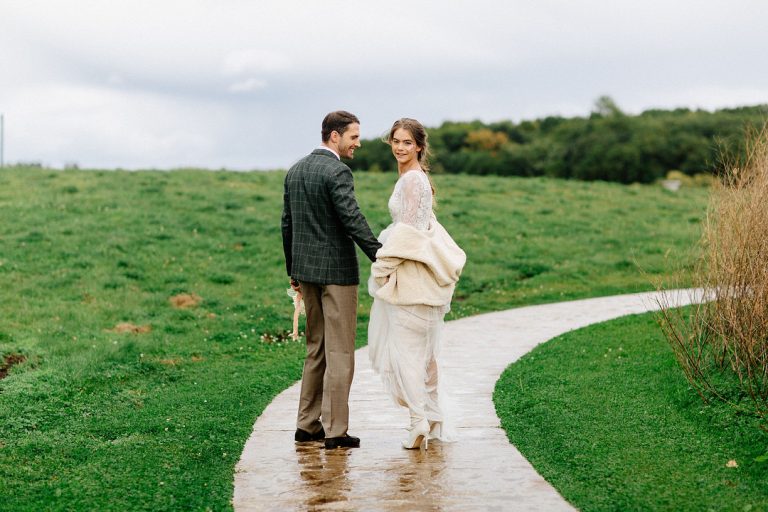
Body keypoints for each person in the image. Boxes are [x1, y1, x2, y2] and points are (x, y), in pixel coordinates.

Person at [281, 110, 382, 449]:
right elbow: (351, 218)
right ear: (334, 136)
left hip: (306, 273)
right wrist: (381, 256)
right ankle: (336, 430)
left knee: (316, 349)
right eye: (354, 136)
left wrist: (293, 271)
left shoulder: (295, 170)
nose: (358, 142)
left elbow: (287, 225)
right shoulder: (337, 171)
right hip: (337, 274)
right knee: (339, 352)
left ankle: (307, 424)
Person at [368, 118, 466, 450]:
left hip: (410, 276)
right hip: (420, 274)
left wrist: (383, 267)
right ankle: (433, 416)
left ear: (419, 147)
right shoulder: (418, 179)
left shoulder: (412, 181)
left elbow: (409, 233)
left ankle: (417, 420)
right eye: (395, 141)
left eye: (407, 143)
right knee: (426, 354)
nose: (399, 147)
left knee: (406, 351)